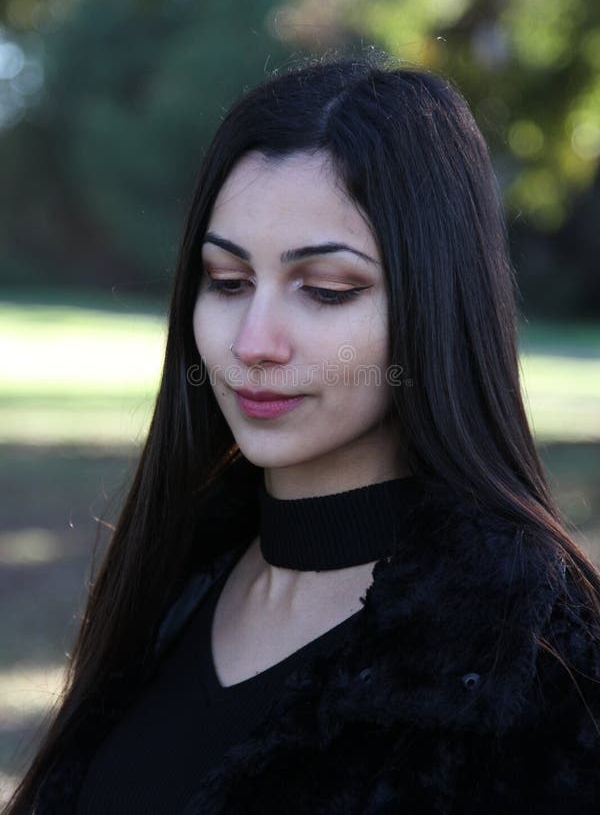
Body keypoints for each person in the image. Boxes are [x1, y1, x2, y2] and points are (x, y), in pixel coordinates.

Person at [7, 53, 600, 814]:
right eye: (227, 282)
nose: (254, 340)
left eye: (325, 291)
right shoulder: (174, 579)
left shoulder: (538, 662)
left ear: (435, 308)